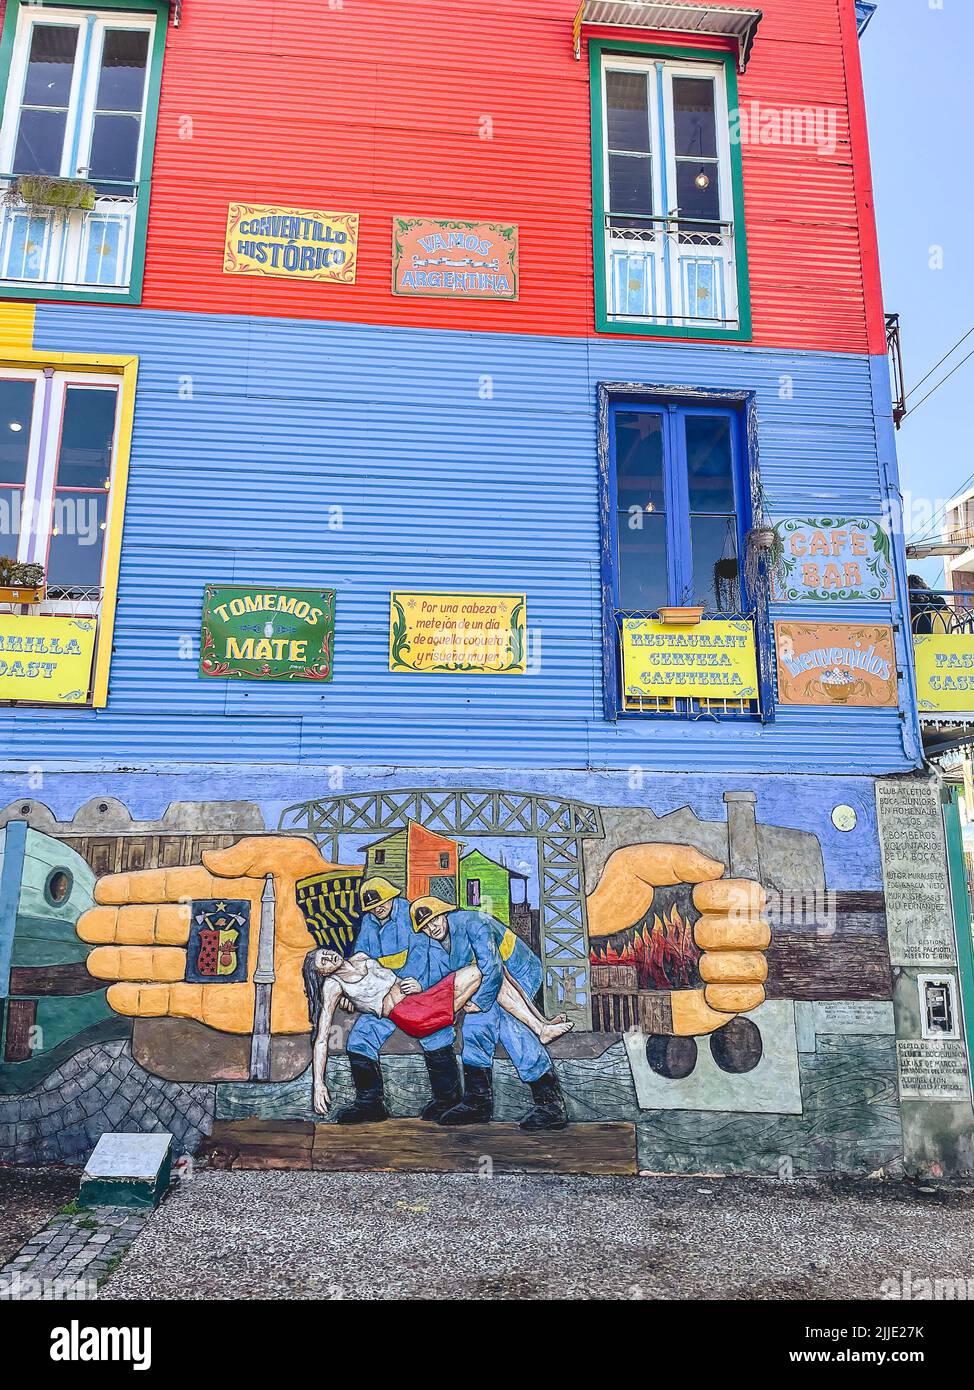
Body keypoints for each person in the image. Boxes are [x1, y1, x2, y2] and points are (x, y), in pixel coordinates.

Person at [304, 947, 573, 1117]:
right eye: (322, 963)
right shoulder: (334, 986)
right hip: (411, 1015)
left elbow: (402, 968)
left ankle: (541, 1025)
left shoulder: (362, 956)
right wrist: (319, 1085)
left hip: (422, 998)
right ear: (322, 973)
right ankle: (540, 1028)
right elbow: (322, 1038)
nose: (328, 957)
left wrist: (414, 982)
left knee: (494, 969)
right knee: (488, 972)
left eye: (324, 953)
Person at [410, 896, 571, 1131]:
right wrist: (422, 990)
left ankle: (550, 1105)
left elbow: (494, 967)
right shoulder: (434, 944)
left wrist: (479, 1002)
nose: (431, 928)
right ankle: (478, 1103)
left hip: (517, 972)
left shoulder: (474, 922)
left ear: (444, 913)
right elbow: (438, 978)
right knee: (475, 1029)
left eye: (434, 920)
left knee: (512, 1028)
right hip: (486, 982)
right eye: (425, 926)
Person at [332, 876, 457, 1125]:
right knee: (360, 1037)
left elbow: (422, 952)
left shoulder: (409, 912)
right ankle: (370, 1104)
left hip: (417, 983)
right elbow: (360, 959)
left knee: (433, 1031)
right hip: (382, 992)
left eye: (381, 903)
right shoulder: (369, 922)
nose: (378, 909)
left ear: (391, 896)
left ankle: (448, 1100)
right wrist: (349, 993)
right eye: (372, 907)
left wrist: (417, 983)